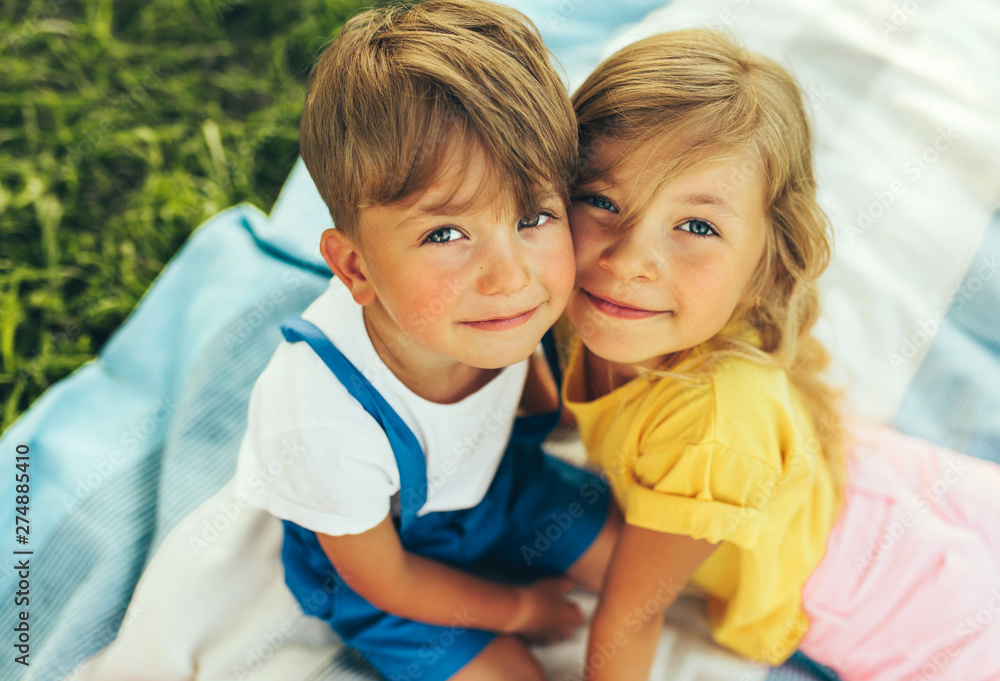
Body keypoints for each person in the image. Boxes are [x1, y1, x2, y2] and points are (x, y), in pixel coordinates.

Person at [560, 28, 1000, 681]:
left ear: (765, 264)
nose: (627, 261)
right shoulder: (601, 314)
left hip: (880, 596)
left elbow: (629, 617)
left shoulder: (709, 422)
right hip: (872, 476)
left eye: (697, 226)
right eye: (602, 199)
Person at [232, 2, 621, 680]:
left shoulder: (495, 310)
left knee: (640, 566)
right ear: (355, 267)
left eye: (533, 215)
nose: (511, 277)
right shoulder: (321, 416)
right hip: (391, 571)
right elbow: (390, 582)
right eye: (446, 234)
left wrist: (554, 409)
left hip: (499, 488)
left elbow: (528, 386)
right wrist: (520, 609)